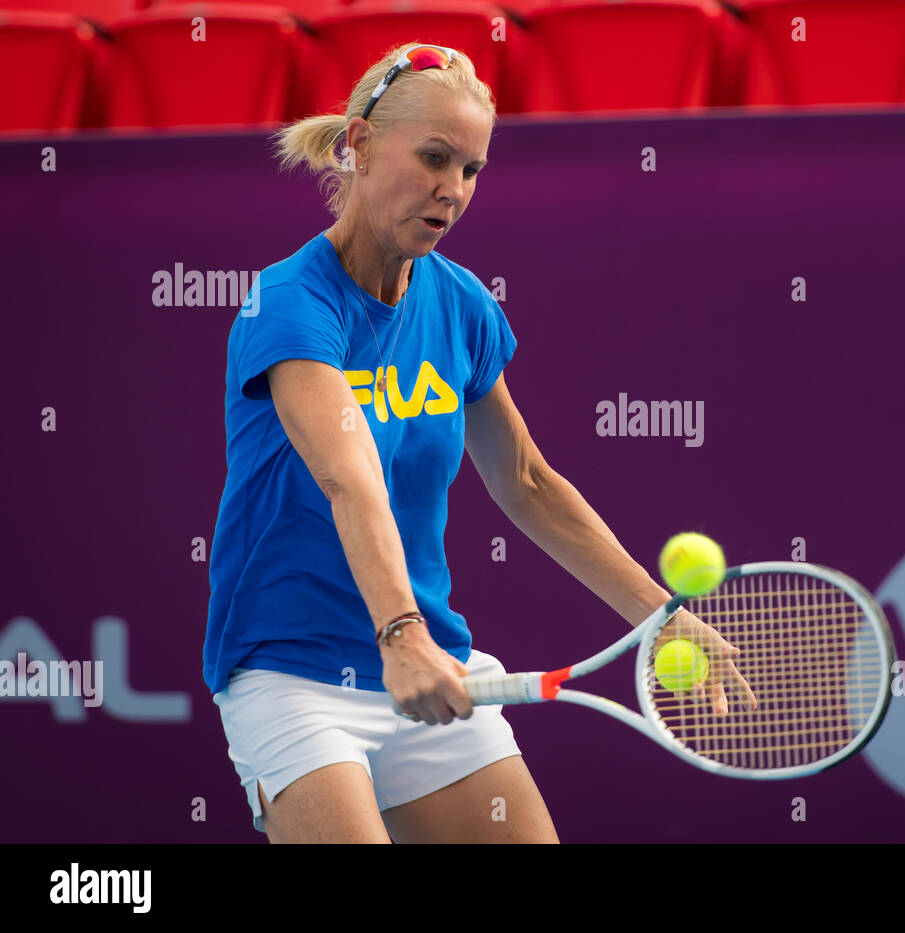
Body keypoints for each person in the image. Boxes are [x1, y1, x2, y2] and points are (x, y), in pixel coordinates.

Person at [203, 42, 749, 843]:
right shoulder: (288, 303)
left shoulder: (460, 304)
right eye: (433, 158)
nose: (451, 191)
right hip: (293, 673)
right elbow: (350, 477)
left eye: (470, 169)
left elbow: (525, 480)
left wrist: (657, 616)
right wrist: (401, 634)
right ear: (355, 145)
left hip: (435, 668)